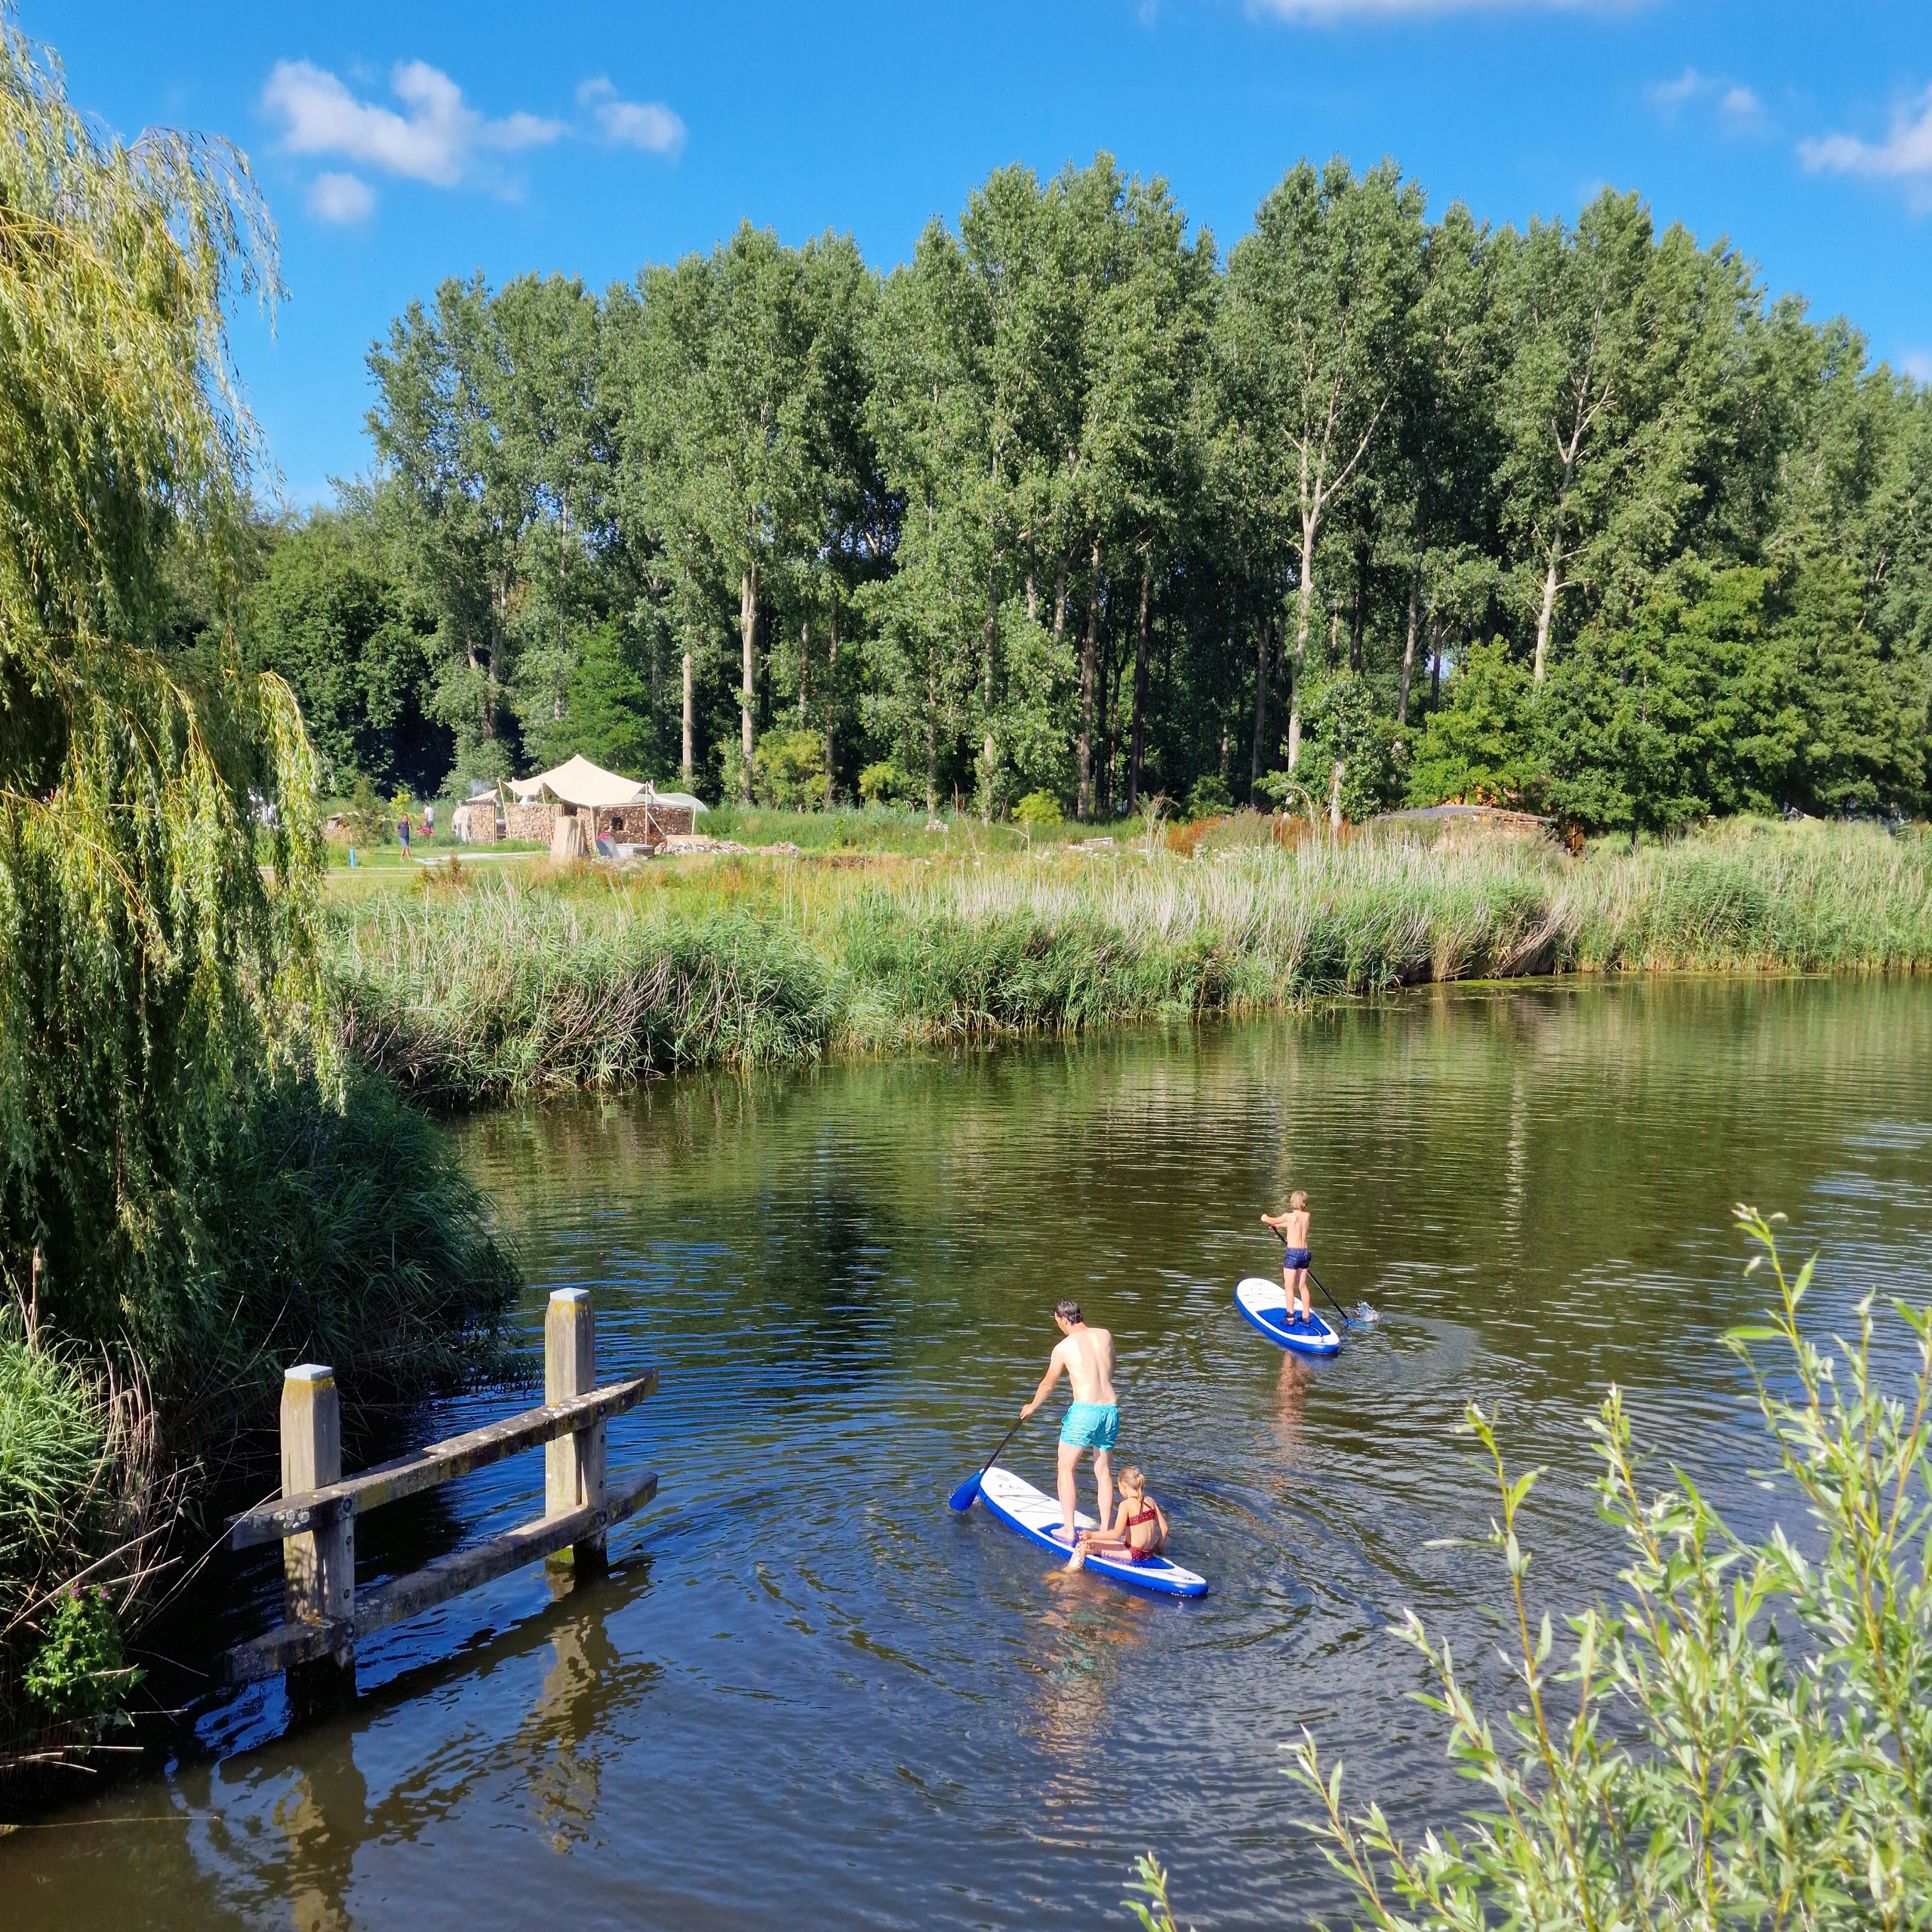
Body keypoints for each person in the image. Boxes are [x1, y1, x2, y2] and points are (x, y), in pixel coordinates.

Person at [1020, 1298, 1118, 1544]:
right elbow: (1112, 1367)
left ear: (1064, 1320)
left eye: (1058, 1323)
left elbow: (1048, 1383)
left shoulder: (1064, 1347)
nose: (1059, 1328)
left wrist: (1032, 1406)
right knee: (1103, 1471)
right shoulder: (1104, 1335)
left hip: (1085, 1411)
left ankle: (1068, 1529)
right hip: (1110, 1409)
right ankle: (1106, 1531)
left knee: (1065, 1468)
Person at [1066, 1466, 1168, 1572]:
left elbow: (1116, 1534)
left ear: (1123, 1485)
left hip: (1134, 1554)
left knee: (1083, 1545)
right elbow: (1165, 1529)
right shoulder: (1150, 1501)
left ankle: (1068, 1573)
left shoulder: (1126, 1504)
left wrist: (1091, 1535)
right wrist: (1158, 1547)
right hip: (1149, 1553)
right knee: (1120, 1539)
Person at [1262, 1191, 1312, 1326]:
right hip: (1305, 1253)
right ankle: (1306, 1316)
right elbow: (1293, 1224)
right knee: (1302, 1285)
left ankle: (1290, 1317)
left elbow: (1271, 1220)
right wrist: (1277, 1227)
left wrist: (1265, 1217)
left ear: (1292, 1202)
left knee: (1289, 1286)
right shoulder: (1307, 1216)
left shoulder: (1288, 1216)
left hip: (1293, 1254)